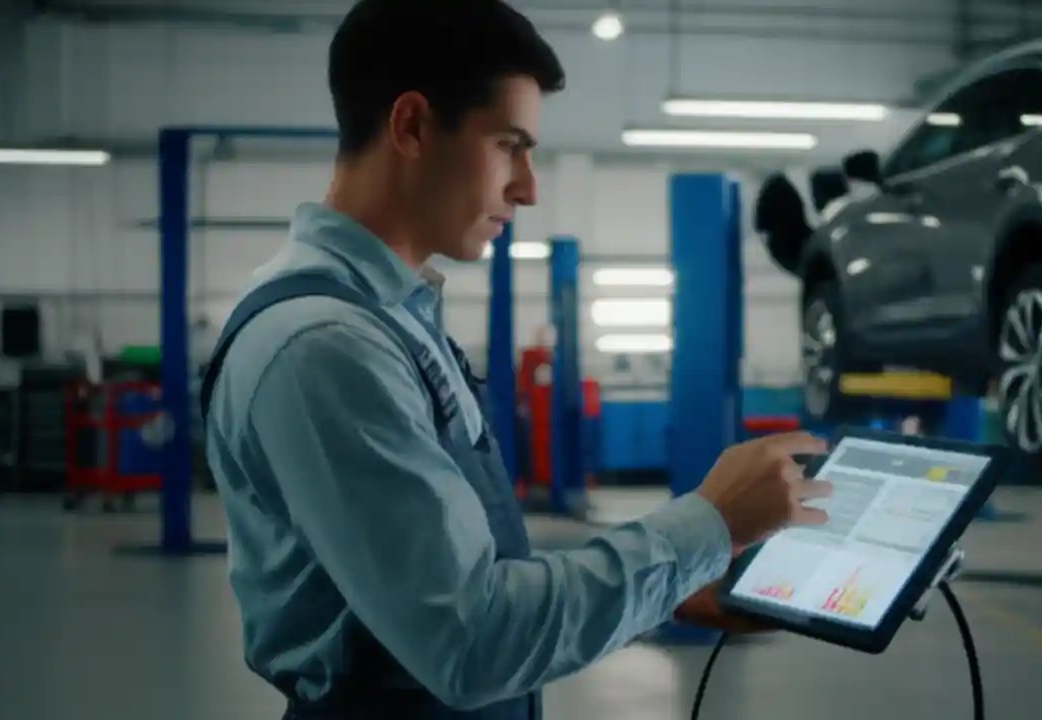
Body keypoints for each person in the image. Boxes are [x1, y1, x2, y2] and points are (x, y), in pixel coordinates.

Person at [201, 1, 833, 719]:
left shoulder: (389, 318)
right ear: (411, 126)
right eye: (509, 145)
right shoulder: (326, 346)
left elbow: (463, 574)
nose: (528, 187)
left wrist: (667, 590)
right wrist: (709, 526)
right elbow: (470, 641)